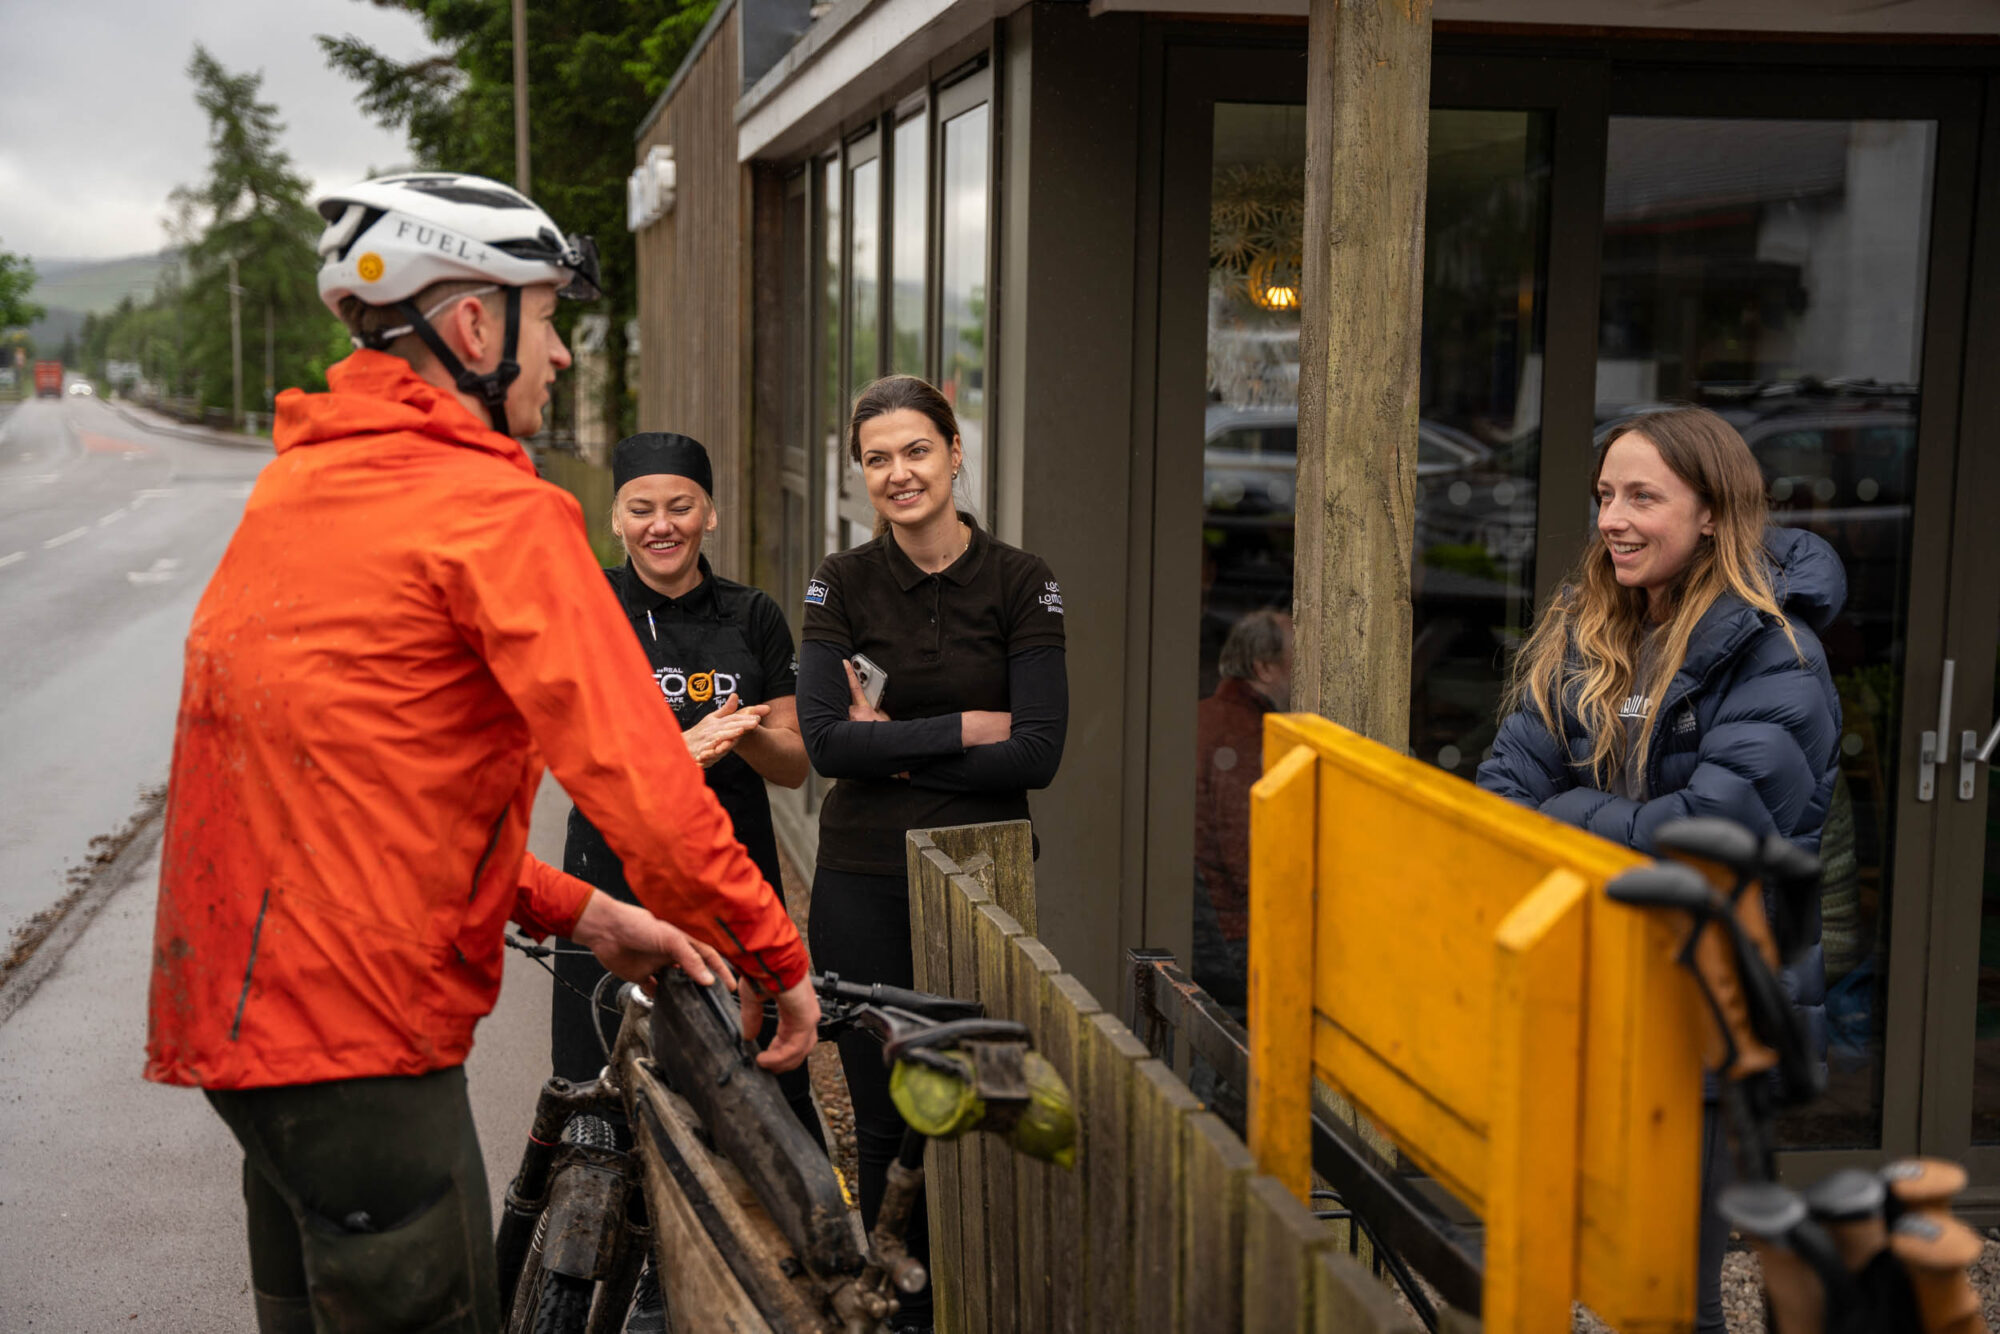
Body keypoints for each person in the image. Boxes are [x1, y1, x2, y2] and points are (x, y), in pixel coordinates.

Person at [143, 172, 819, 1334]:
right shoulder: (491, 510)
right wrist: (774, 950)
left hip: (244, 1023)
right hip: (363, 1034)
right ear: (472, 326)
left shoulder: (299, 484)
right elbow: (642, 782)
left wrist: (586, 912)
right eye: (546, 318)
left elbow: (359, 804)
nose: (557, 352)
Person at [1475, 404, 1842, 1334]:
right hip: (1599, 988)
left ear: (1713, 511)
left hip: (1710, 1013)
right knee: (1590, 1267)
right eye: (1605, 495)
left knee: (1675, 1291)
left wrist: (1565, 812)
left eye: (1643, 497)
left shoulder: (1781, 655)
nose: (1613, 520)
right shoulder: (1592, 627)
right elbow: (1500, 794)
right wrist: (1596, 822)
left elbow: (1704, 838)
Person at [797, 374, 1068, 1333]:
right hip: (863, 879)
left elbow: (1038, 753)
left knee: (976, 1111)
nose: (899, 473)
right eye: (877, 459)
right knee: (881, 1121)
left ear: (956, 452)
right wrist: (964, 729)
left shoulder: (1022, 581)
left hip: (982, 878)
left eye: (916, 450)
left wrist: (893, 743)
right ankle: (901, 1315)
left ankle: (979, 1305)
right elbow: (827, 744)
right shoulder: (840, 580)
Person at [549, 430, 823, 1145]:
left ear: (711, 515)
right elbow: (564, 750)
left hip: (729, 872)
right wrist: (677, 752)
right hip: (611, 875)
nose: (661, 525)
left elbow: (794, 765)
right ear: (616, 519)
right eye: (641, 509)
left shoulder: (754, 615)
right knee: (598, 1096)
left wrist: (743, 733)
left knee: (757, 1098)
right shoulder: (585, 605)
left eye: (681, 506)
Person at [1191, 609, 1293, 1016]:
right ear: (1264, 668)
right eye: (1299, 657)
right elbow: (1247, 855)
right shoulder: (1247, 735)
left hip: (1204, 928)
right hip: (1230, 936)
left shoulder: (1203, 715)